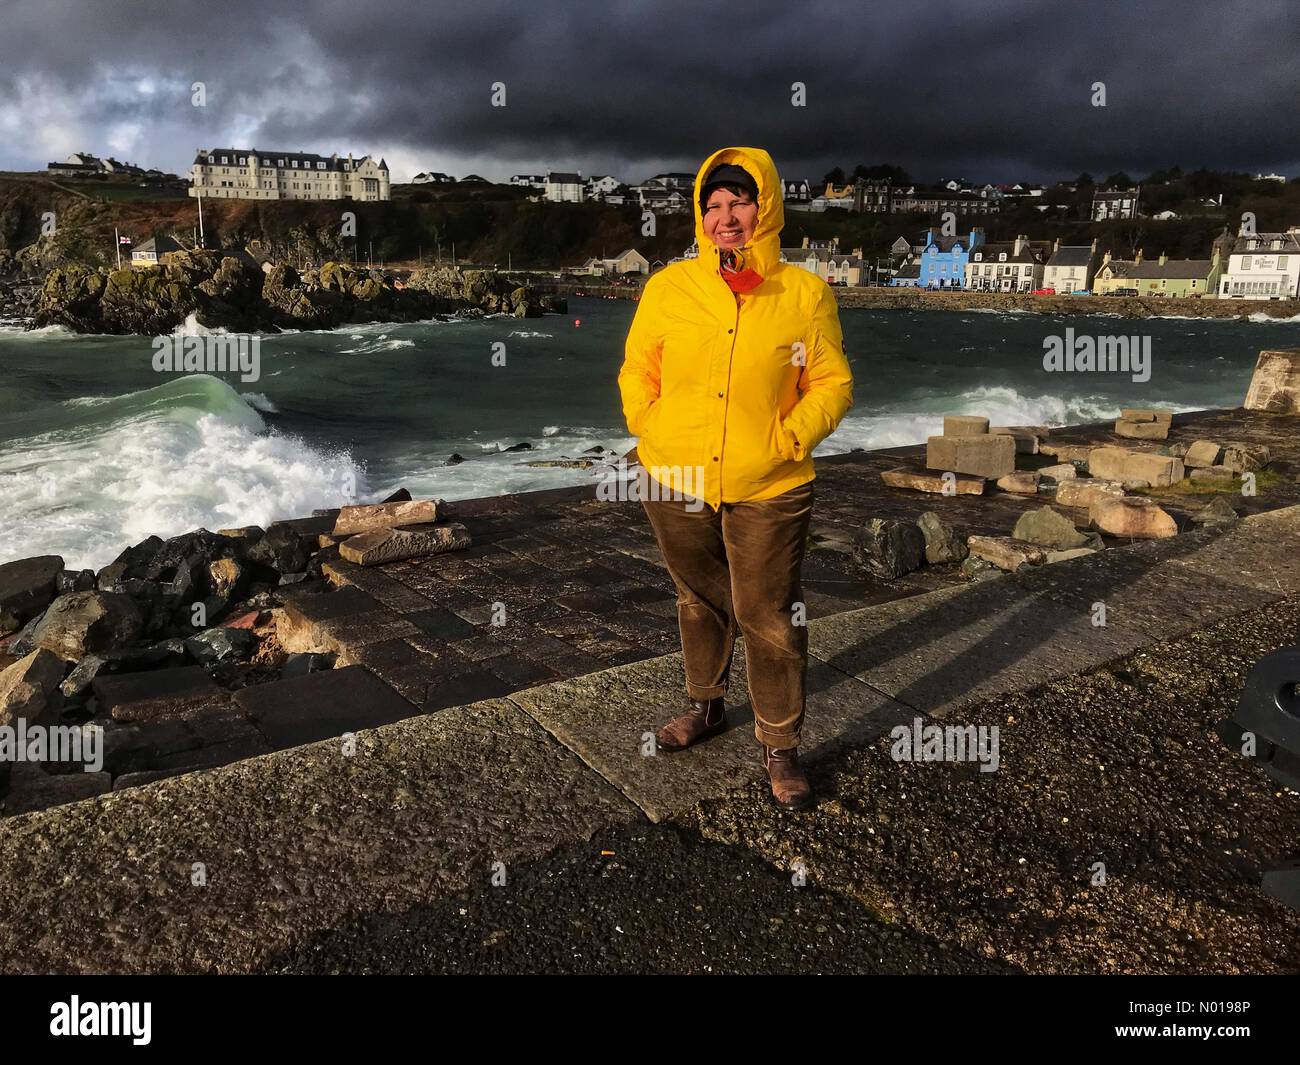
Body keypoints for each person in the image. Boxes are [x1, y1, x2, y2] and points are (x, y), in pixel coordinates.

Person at [617, 146, 853, 810]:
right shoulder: (670, 288)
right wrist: (649, 424)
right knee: (697, 598)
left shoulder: (803, 294)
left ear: (766, 206)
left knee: (767, 614)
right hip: (674, 471)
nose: (725, 215)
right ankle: (707, 704)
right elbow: (639, 368)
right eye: (713, 203)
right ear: (699, 213)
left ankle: (780, 744)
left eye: (739, 201)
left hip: (771, 482)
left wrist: (790, 436)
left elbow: (832, 383)